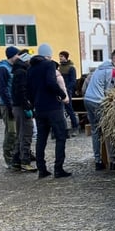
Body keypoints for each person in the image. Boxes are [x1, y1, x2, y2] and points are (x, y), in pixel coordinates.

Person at [26, 43, 71, 178]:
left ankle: (42, 169)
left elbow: (28, 90)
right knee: (60, 137)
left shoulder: (31, 68)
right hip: (53, 107)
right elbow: (51, 82)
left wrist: (34, 103)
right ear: (49, 55)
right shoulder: (49, 65)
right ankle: (58, 168)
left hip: (39, 108)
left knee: (41, 138)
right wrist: (62, 94)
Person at [82, 49, 115, 171]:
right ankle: (113, 161)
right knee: (108, 131)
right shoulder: (112, 71)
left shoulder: (99, 68)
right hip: (97, 102)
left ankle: (98, 161)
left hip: (88, 99)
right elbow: (109, 92)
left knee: (95, 131)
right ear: (114, 59)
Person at [0, 46, 21, 169]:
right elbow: (3, 89)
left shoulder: (12, 67)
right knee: (11, 132)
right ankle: (9, 157)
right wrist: (9, 106)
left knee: (17, 131)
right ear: (12, 56)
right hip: (7, 104)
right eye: (17, 55)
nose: (19, 57)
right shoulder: (3, 69)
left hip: (14, 102)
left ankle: (16, 156)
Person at [11, 51, 37, 172]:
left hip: (17, 106)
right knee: (26, 133)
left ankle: (16, 160)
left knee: (20, 134)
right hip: (22, 107)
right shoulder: (22, 72)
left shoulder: (17, 71)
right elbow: (21, 91)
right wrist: (27, 106)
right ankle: (25, 161)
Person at [59, 51, 80, 133]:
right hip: (60, 91)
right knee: (60, 110)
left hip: (67, 91)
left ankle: (75, 127)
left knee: (69, 110)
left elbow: (73, 81)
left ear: (66, 57)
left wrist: (66, 88)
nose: (60, 58)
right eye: (60, 56)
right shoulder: (60, 67)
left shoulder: (71, 68)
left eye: (62, 56)